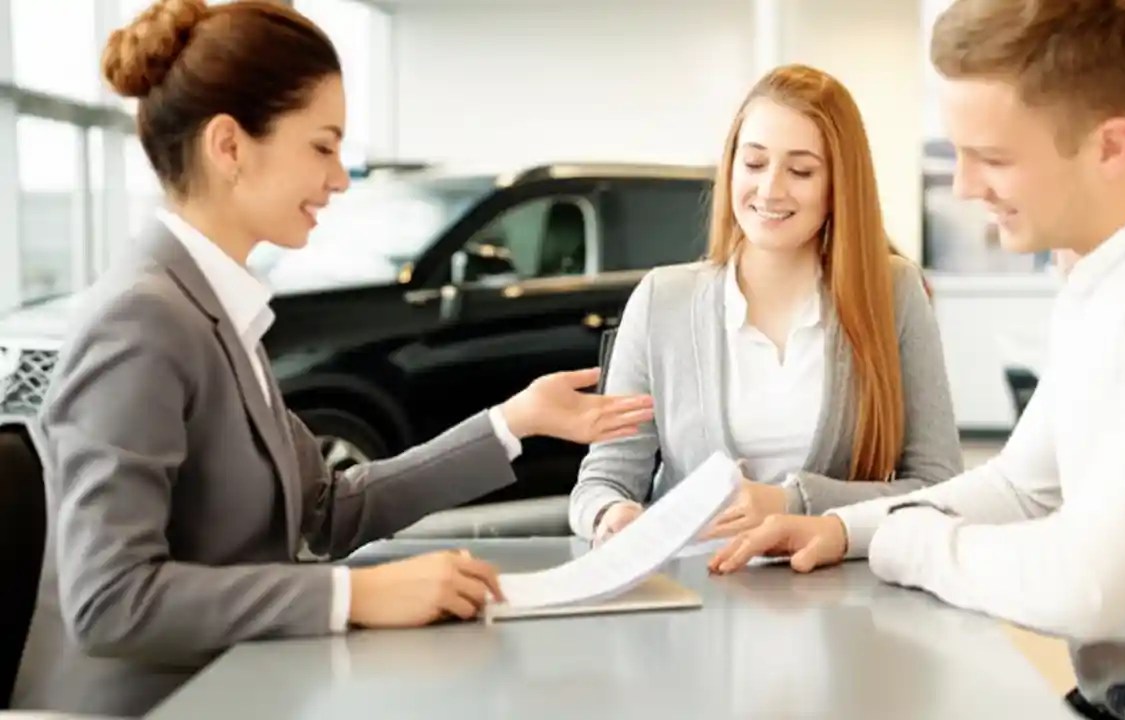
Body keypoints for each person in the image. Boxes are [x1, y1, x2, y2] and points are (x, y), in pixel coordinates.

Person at [12, 0, 653, 716]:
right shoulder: (141, 322)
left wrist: (514, 420)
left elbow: (325, 507)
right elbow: (111, 599)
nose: (341, 179)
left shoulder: (215, 312)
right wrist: (355, 595)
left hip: (236, 686)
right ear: (229, 146)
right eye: (321, 147)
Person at [710, 1, 1125, 717]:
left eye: (993, 158)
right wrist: (843, 531)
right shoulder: (1112, 273)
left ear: (1111, 146)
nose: (964, 188)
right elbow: (1021, 487)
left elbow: (1086, 585)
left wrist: (910, 544)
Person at [568, 64, 962, 546]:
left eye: (801, 171)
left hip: (841, 600)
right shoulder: (661, 301)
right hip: (699, 598)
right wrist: (611, 516)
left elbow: (939, 489)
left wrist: (794, 503)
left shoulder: (894, 292)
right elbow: (602, 482)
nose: (771, 189)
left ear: (840, 185)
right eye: (754, 163)